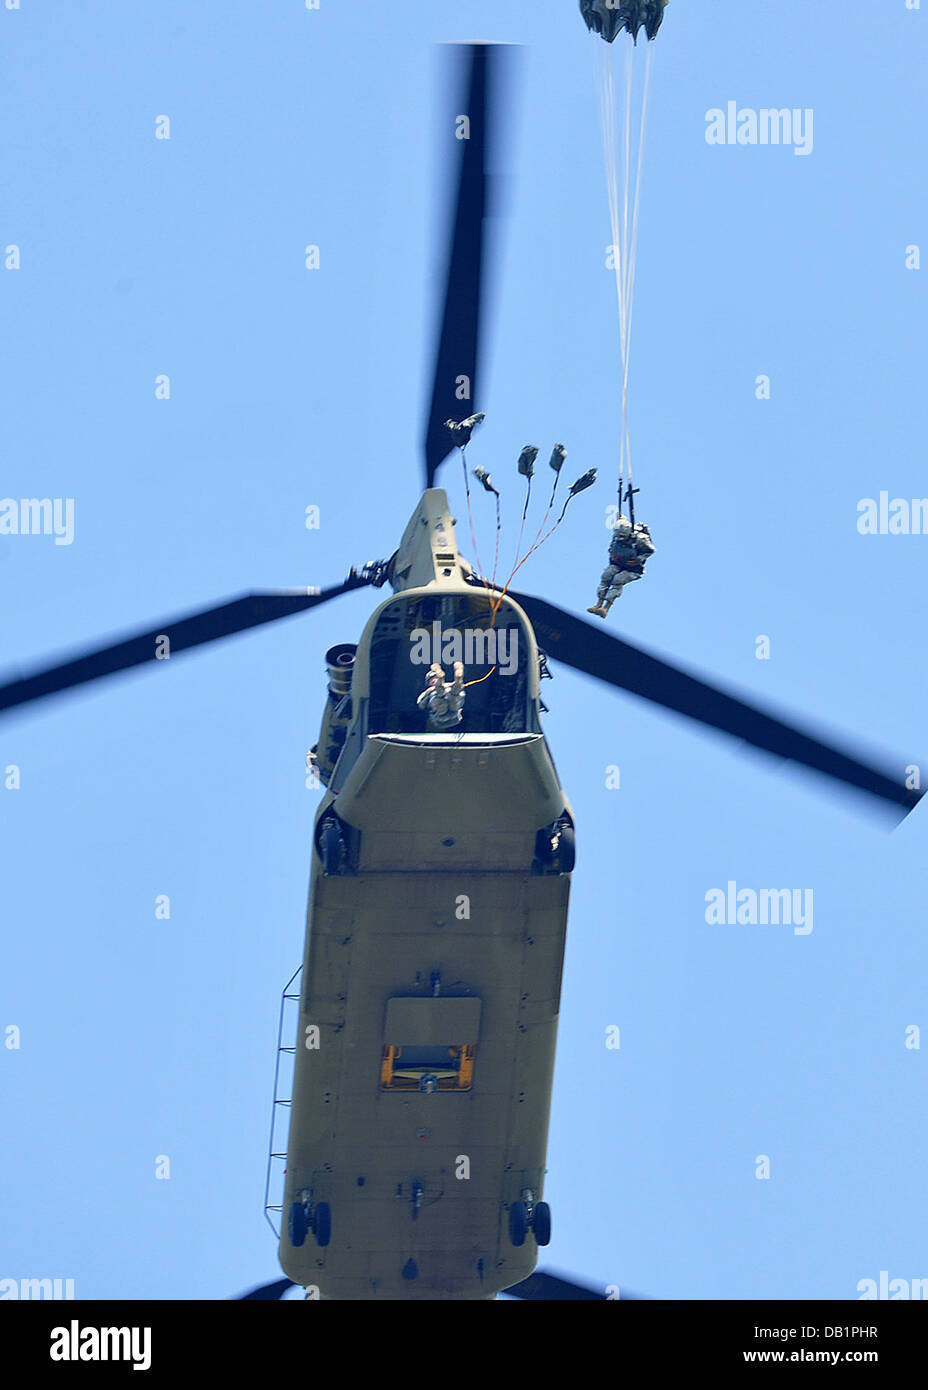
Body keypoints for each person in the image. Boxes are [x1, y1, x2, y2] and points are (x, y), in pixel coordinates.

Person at [587, 515, 656, 617]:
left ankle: (606, 608)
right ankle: (598, 604)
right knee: (606, 576)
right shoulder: (618, 534)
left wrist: (638, 559)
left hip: (632, 569)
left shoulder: (640, 539)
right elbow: (620, 524)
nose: (621, 539)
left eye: (623, 537)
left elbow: (651, 550)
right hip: (618, 563)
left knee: (617, 580)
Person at [416, 662, 466, 729]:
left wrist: (456, 683)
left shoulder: (448, 687)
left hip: (454, 710)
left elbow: (460, 692)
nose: (433, 680)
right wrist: (430, 691)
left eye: (436, 678)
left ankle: (458, 678)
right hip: (440, 715)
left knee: (454, 693)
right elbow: (421, 704)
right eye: (431, 680)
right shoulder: (428, 692)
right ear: (428, 683)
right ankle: (441, 689)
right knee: (437, 696)